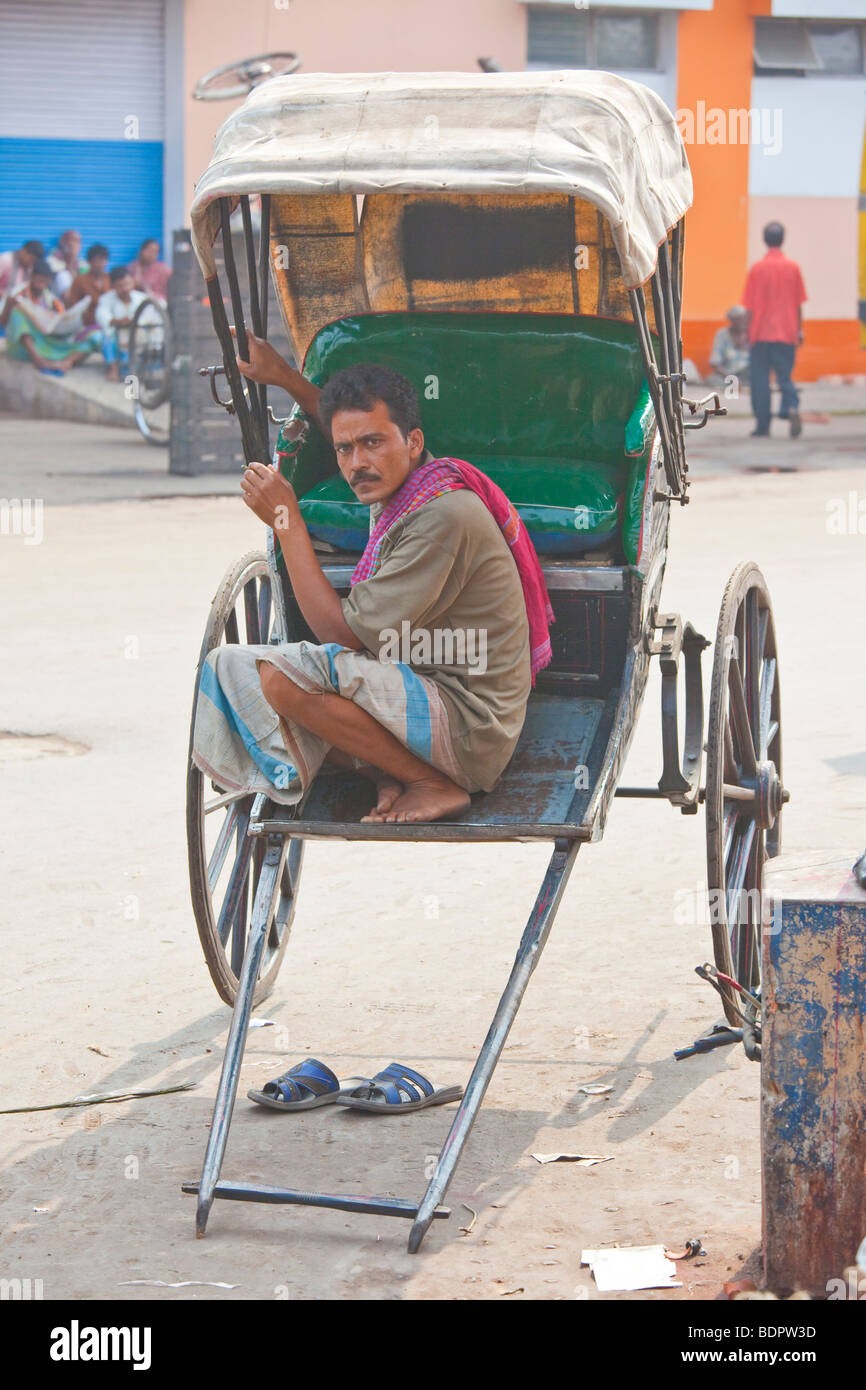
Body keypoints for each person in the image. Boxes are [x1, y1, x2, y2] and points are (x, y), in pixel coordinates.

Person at [192, 340, 554, 826]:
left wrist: (287, 522)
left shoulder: (441, 516)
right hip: (421, 678)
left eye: (373, 443)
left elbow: (340, 636)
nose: (356, 463)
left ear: (414, 442)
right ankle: (385, 769)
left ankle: (431, 783)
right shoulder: (417, 481)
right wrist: (282, 375)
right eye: (344, 449)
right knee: (234, 670)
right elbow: (351, 433)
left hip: (470, 724)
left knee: (278, 679)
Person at [742, 222, 807, 438]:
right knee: (784, 377)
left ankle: (763, 426)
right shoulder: (793, 267)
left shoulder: (757, 269)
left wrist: (746, 333)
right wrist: (799, 330)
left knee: (760, 381)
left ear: (764, 239)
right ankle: (792, 406)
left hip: (760, 333)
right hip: (786, 332)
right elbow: (798, 304)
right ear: (783, 239)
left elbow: (749, 307)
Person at [0, 259, 102, 374]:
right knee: (17, 313)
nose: (40, 286)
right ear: (31, 277)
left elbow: (61, 319)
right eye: (38, 281)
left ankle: (66, 362)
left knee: (93, 338)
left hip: (47, 342)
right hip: (24, 346)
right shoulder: (17, 293)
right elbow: (2, 322)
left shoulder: (50, 299)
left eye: (44, 282)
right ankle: (39, 361)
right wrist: (9, 306)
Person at [95, 266, 147, 380]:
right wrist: (118, 322)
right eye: (120, 286)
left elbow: (151, 316)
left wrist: (135, 322)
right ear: (113, 286)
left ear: (132, 282)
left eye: (127, 284)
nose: (125, 289)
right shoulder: (106, 299)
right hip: (118, 335)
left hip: (138, 334)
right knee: (106, 336)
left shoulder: (142, 298)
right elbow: (103, 317)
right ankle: (113, 368)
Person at [66, 243, 110, 319]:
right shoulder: (80, 281)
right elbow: (73, 305)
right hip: (86, 324)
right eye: (98, 260)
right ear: (89, 262)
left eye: (103, 260)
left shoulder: (110, 279)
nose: (101, 264)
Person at [709, 306, 750, 385]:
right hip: (728, 375)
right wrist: (732, 377)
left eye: (744, 319)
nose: (742, 322)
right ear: (731, 320)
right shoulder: (722, 335)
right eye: (738, 319)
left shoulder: (751, 334)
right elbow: (715, 364)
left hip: (748, 375)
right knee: (712, 380)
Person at [0, 239, 45, 310]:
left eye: (33, 261)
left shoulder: (30, 268)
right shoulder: (6, 260)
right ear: (23, 251)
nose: (31, 262)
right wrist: (7, 297)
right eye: (31, 259)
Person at [47, 229, 86, 300]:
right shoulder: (51, 261)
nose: (74, 244)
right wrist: (71, 259)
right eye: (72, 240)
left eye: (77, 242)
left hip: (79, 297)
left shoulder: (82, 264)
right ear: (62, 242)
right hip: (57, 299)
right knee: (63, 276)